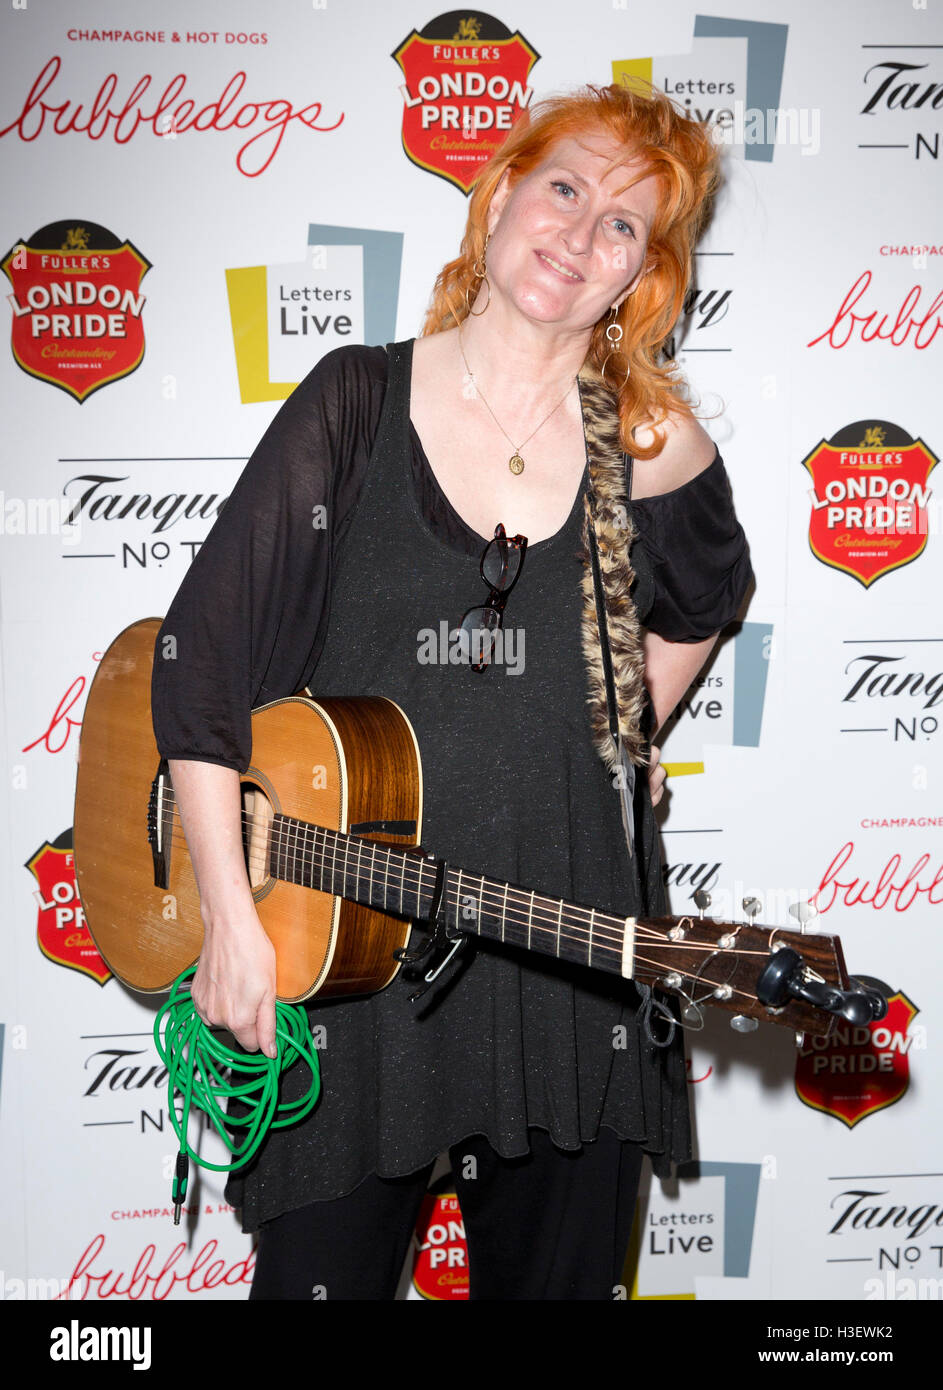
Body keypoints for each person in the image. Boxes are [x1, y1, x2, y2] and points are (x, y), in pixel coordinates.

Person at [151, 81, 752, 1300]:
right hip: (351, 953)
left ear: (641, 277)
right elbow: (200, 660)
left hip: (572, 961)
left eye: (625, 227)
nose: (581, 237)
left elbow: (707, 592)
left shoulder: (650, 447)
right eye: (566, 189)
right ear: (499, 196)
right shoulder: (356, 402)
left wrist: (617, 733)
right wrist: (228, 914)